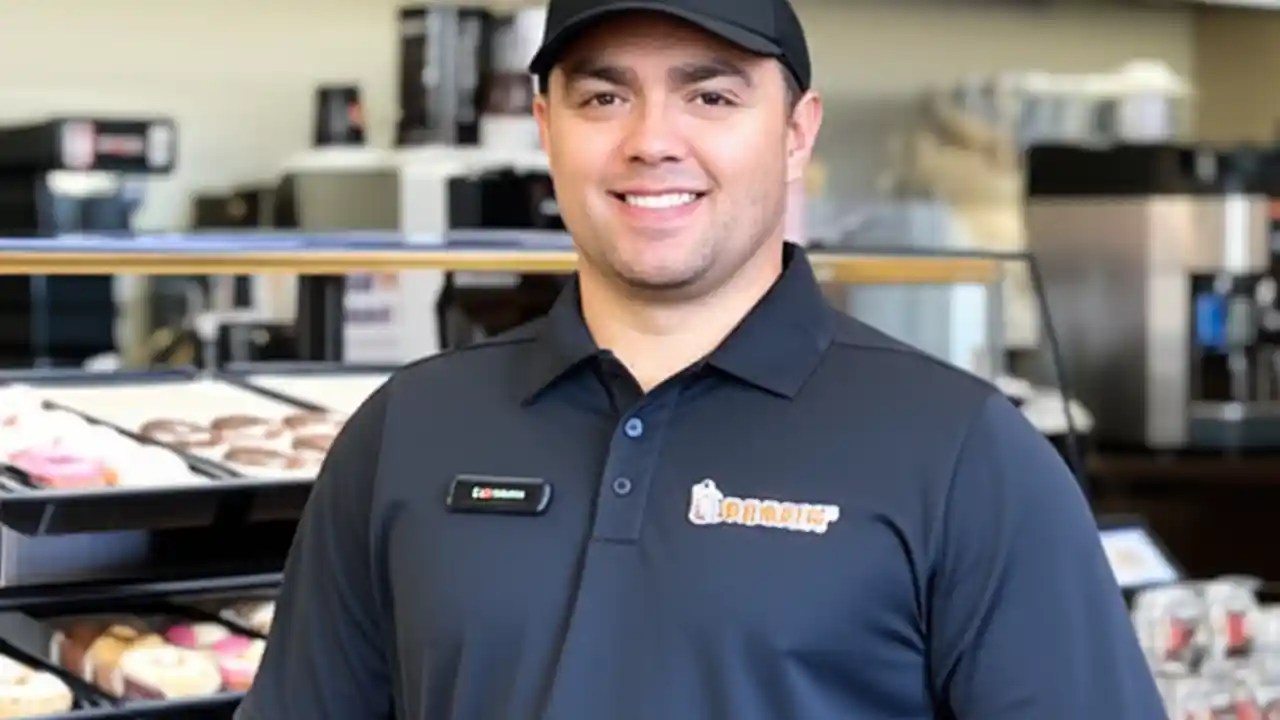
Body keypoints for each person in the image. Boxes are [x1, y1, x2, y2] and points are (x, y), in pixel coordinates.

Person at [237, 0, 1168, 717]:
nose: (651, 141)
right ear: (545, 126)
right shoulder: (411, 429)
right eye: (604, 96)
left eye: (711, 95)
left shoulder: (967, 454)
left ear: (797, 131)